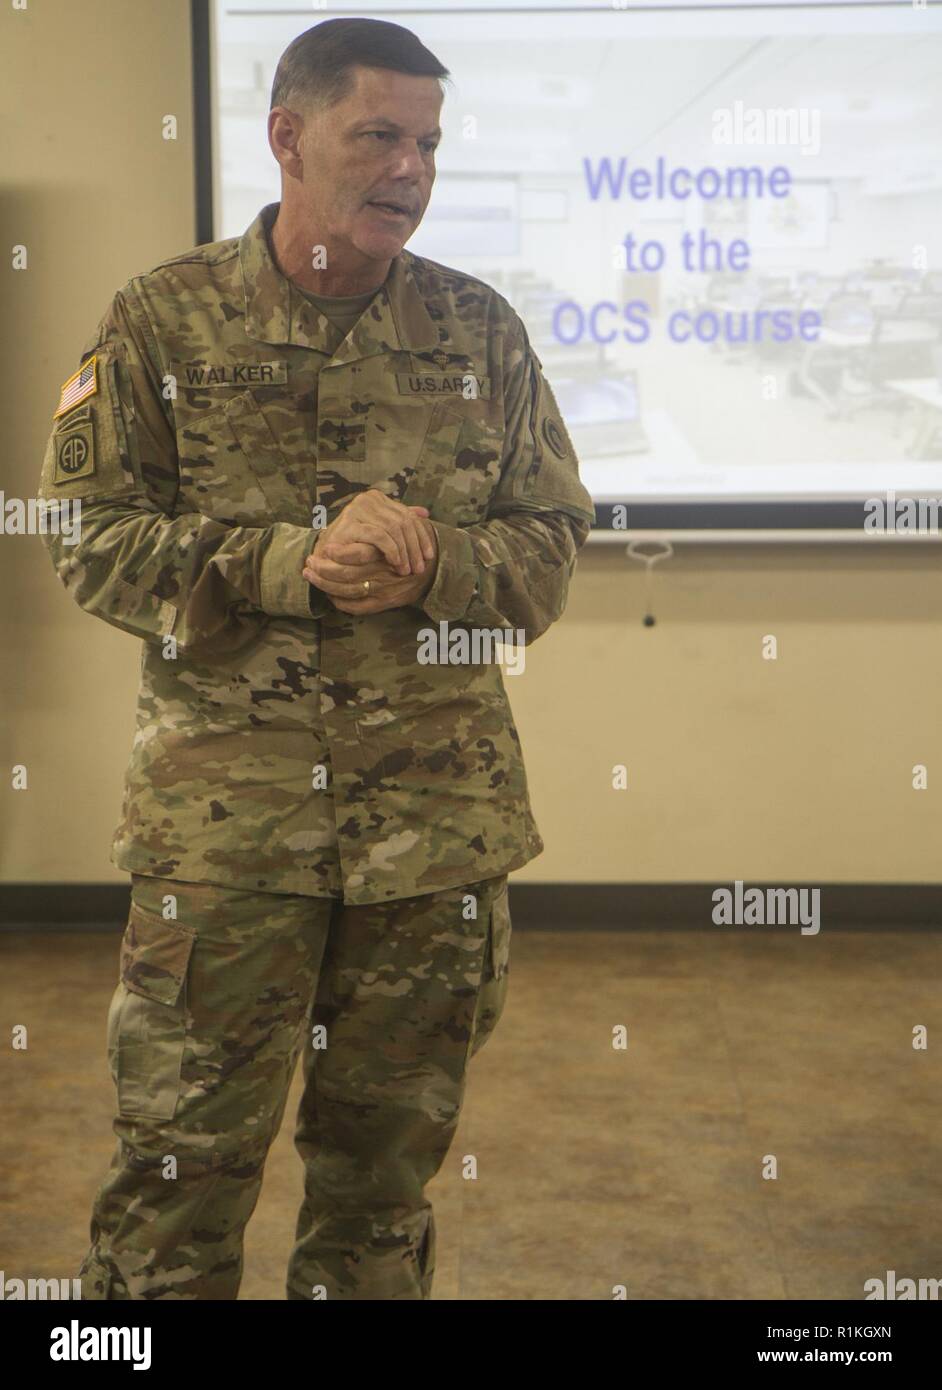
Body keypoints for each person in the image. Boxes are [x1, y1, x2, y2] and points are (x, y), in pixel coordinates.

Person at [38, 16, 595, 1300]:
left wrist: (435, 564)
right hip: (224, 850)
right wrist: (293, 563)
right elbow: (92, 544)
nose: (411, 168)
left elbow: (551, 555)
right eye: (379, 136)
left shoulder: (481, 331)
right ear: (290, 138)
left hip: (432, 841)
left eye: (430, 143)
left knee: (378, 1193)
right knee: (174, 1177)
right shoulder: (159, 323)